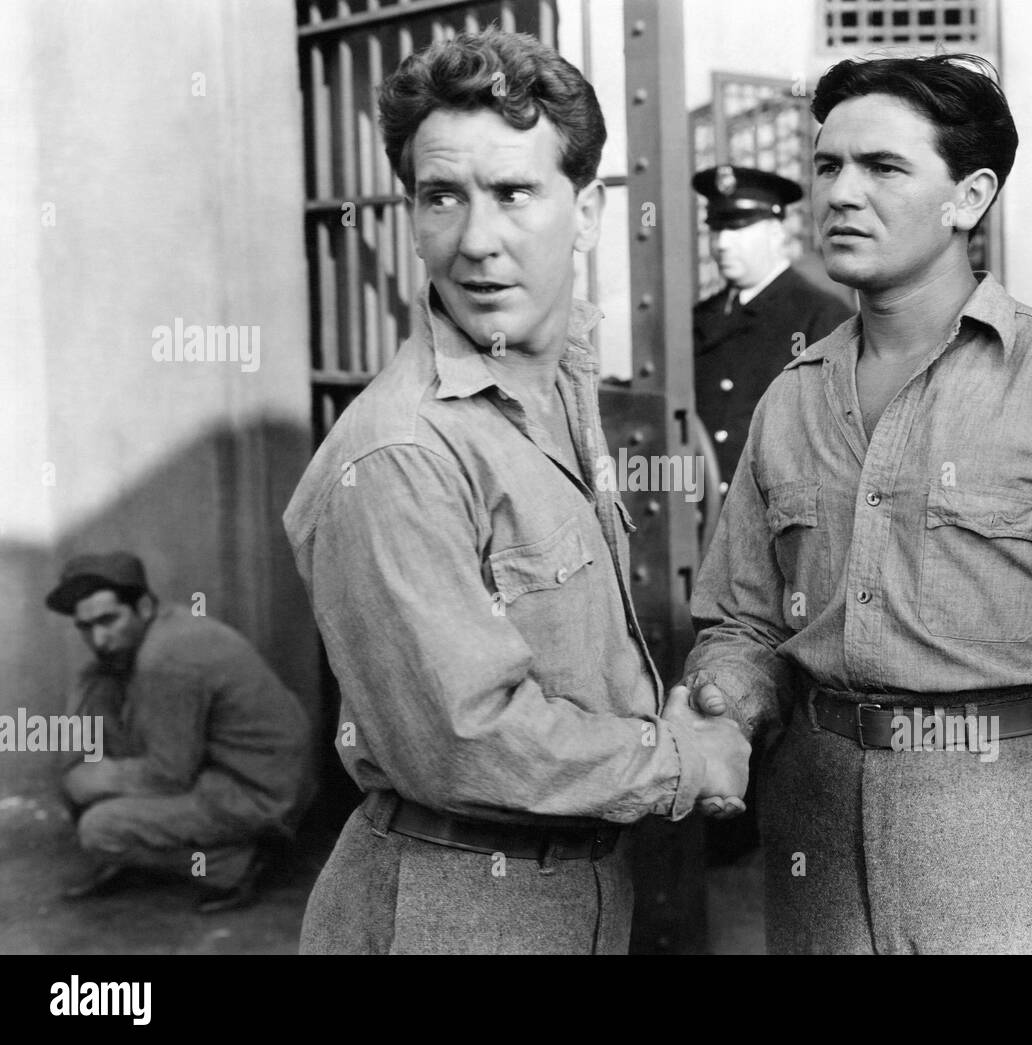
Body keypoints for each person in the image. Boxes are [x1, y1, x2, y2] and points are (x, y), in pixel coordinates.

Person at [676, 53, 1032, 954]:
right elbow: (742, 620)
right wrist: (721, 706)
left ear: (969, 197)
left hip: (1004, 851)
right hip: (816, 853)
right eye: (830, 165)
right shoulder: (792, 396)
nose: (843, 192)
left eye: (883, 168)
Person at [282, 28, 750, 955]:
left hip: (571, 887)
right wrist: (680, 761)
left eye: (513, 193)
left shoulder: (557, 387)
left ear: (587, 213)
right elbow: (469, 737)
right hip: (457, 905)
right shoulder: (399, 452)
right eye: (442, 197)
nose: (476, 241)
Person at [48, 552, 314, 914]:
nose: (99, 639)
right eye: (86, 626)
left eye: (108, 620)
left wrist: (94, 777)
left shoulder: (167, 660)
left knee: (100, 829)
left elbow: (168, 775)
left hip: (258, 792)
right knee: (97, 687)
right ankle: (150, 852)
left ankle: (235, 863)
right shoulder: (164, 629)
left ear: (142, 606)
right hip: (233, 768)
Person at [693, 165, 854, 494]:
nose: (722, 243)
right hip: (702, 517)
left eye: (738, 228)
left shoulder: (821, 315)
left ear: (777, 233)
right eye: (716, 229)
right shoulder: (701, 317)